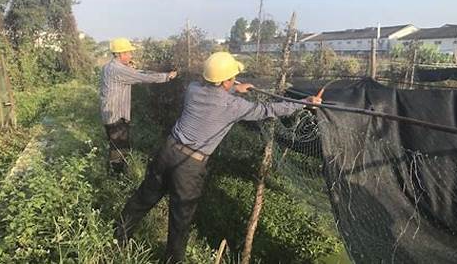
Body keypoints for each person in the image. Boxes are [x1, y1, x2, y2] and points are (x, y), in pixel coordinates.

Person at [115, 52, 321, 263]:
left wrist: (234, 88)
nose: (234, 80)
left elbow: (215, 92)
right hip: (190, 166)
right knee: (180, 219)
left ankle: (118, 237)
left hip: (167, 151)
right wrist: (303, 102)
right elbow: (267, 110)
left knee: (144, 197)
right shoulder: (233, 106)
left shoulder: (193, 89)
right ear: (225, 81)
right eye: (232, 77)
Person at [100, 37, 177, 174]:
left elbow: (136, 73)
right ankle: (116, 177)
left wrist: (130, 68)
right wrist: (167, 76)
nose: (131, 55)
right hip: (116, 115)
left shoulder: (109, 67)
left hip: (111, 113)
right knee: (119, 147)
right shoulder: (118, 70)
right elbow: (143, 78)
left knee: (117, 145)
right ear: (121, 54)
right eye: (128, 53)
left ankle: (116, 172)